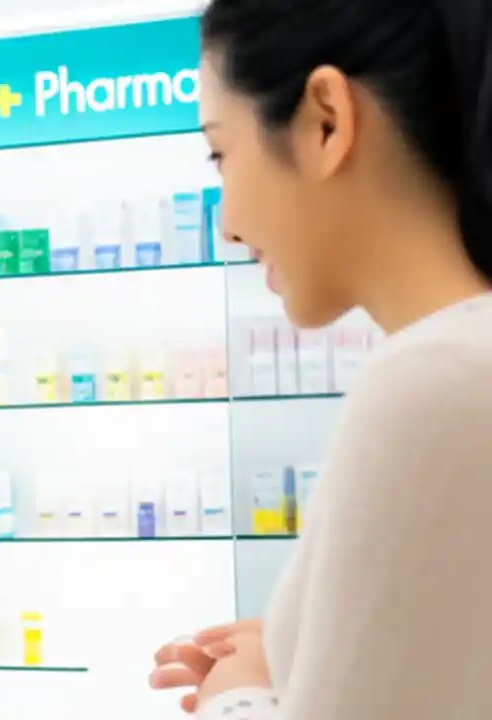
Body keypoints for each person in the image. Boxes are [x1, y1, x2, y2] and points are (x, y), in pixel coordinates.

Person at [149, 1, 492, 718]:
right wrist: (308, 646)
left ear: (326, 120)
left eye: (221, 153)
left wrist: (237, 695)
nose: (228, 224)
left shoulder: (438, 383)